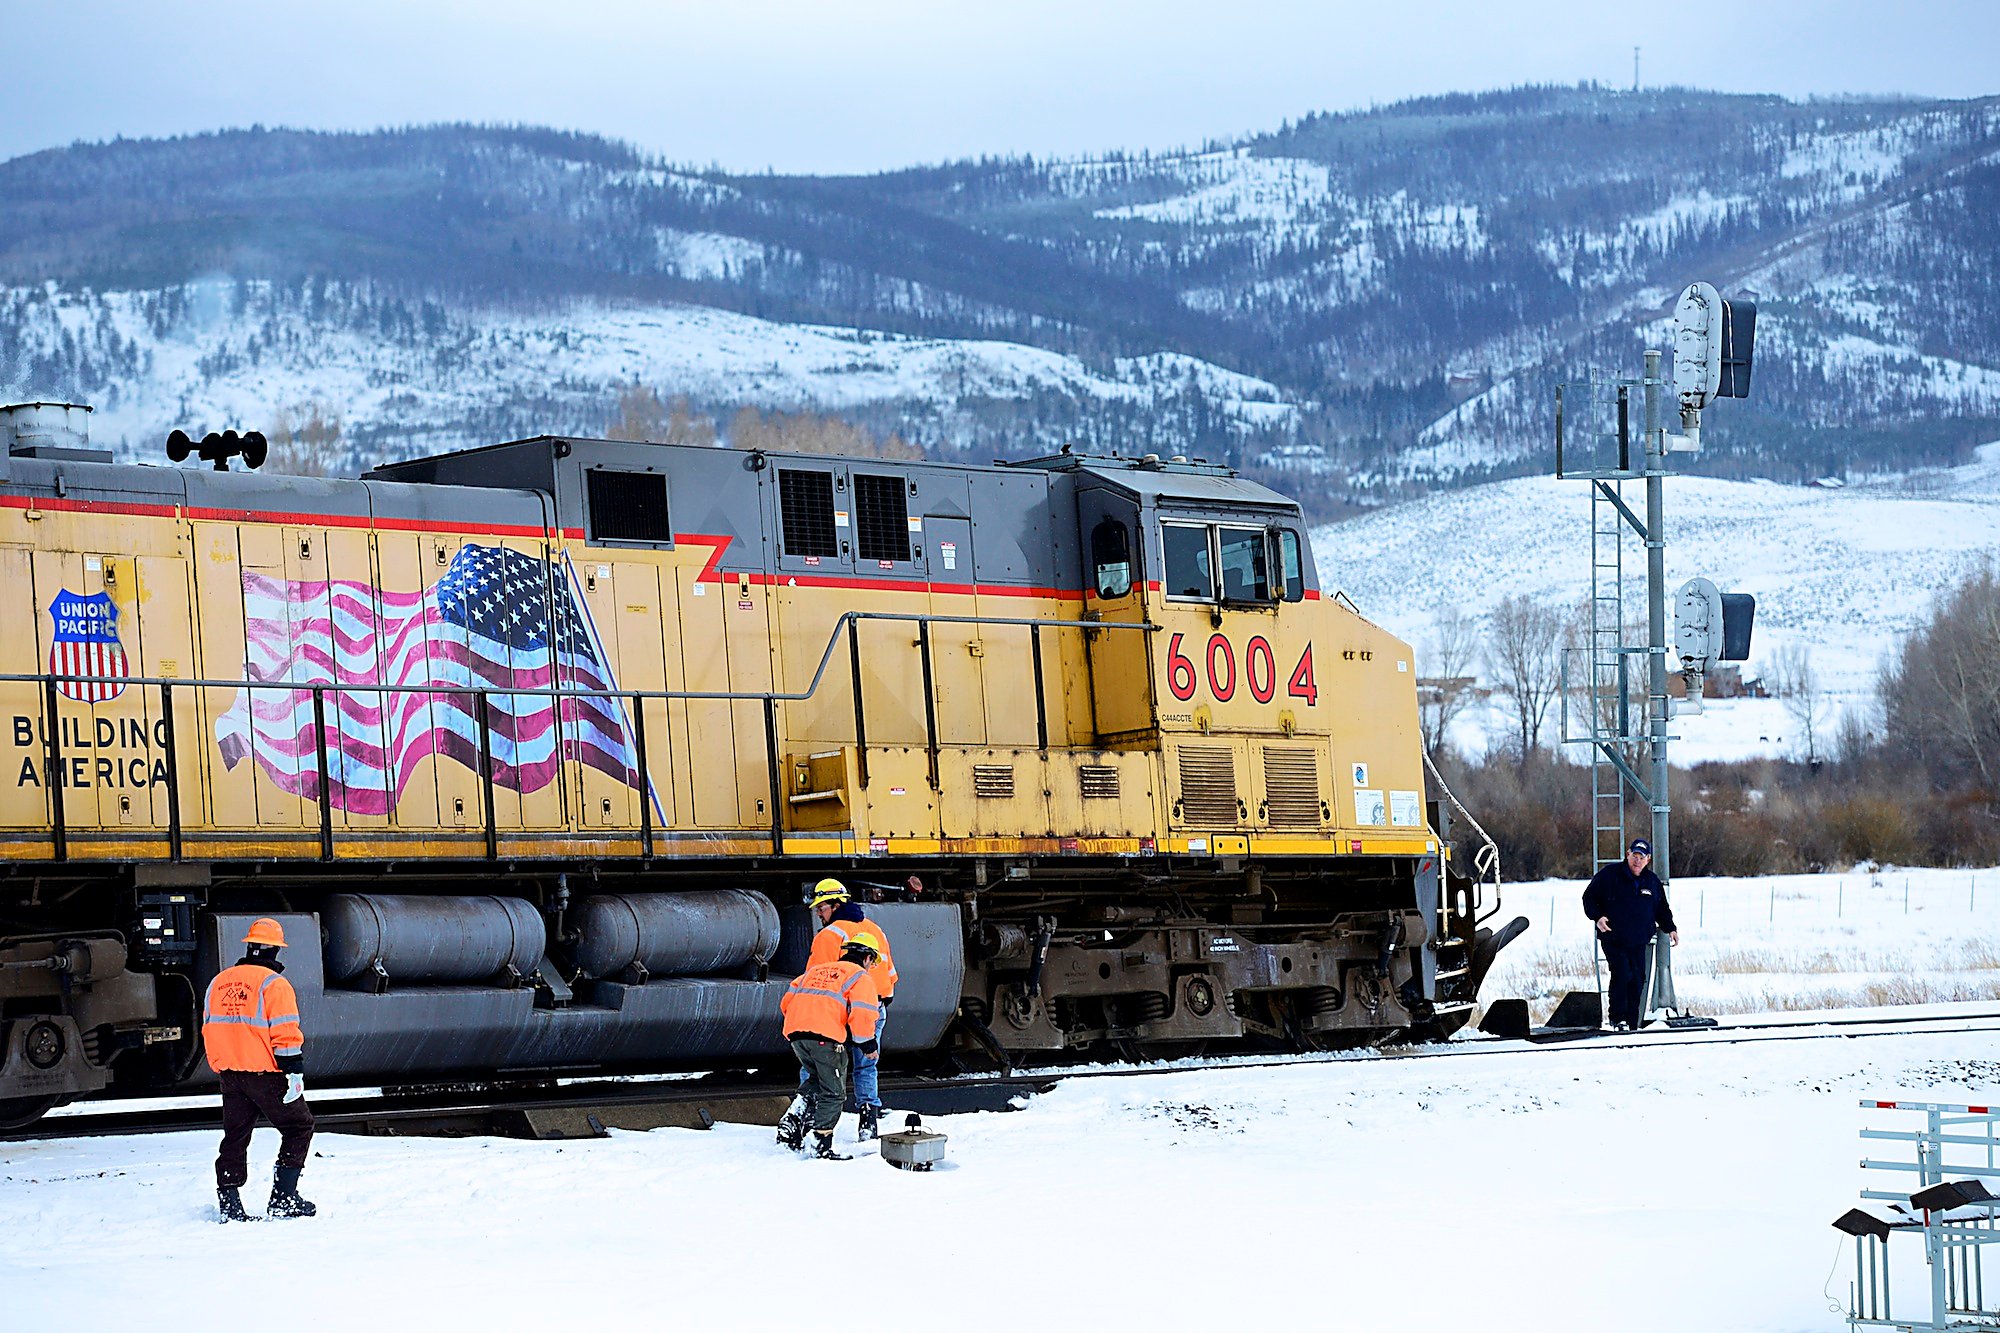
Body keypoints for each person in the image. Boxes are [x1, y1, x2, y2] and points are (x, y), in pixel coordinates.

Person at [202, 918, 315, 1221]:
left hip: (230, 1075)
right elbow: (285, 1032)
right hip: (266, 1075)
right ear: (276, 951)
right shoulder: (274, 984)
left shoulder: (219, 982)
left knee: (235, 1136)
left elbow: (209, 1028)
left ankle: (230, 1203)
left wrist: (225, 1065)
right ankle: (284, 1198)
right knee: (298, 1127)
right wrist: (293, 1071)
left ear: (249, 947)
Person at [785, 877, 898, 1139]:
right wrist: (882, 999)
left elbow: (815, 980)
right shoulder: (874, 930)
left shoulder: (830, 935)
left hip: (838, 1014)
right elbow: (890, 972)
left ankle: (804, 1118)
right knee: (866, 1065)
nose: (818, 914)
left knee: (816, 1068)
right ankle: (868, 1124)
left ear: (835, 905)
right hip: (873, 1007)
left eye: (821, 908)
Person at [777, 928, 883, 1160]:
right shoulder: (859, 976)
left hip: (797, 1035)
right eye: (872, 962)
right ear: (867, 958)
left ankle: (793, 1119)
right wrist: (868, 1045)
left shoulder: (816, 970)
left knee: (815, 1080)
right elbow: (864, 1014)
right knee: (834, 1092)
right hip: (825, 1038)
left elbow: (786, 1003)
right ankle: (820, 1143)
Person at [1582, 838, 1679, 1031]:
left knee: (1637, 978)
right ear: (1628, 854)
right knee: (1622, 974)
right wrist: (1598, 917)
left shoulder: (1651, 882)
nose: (1637, 860)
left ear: (1648, 859)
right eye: (1634, 856)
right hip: (1614, 938)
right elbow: (1589, 898)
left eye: (1641, 857)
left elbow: (1661, 908)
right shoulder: (1609, 875)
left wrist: (1670, 928)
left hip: (1638, 940)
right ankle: (1618, 1019)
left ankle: (1633, 1022)